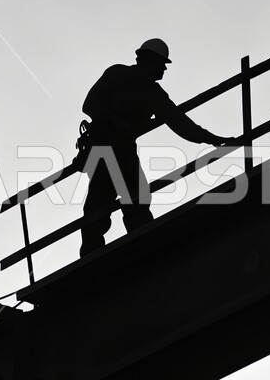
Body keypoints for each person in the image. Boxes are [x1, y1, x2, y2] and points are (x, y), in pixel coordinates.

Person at [78, 38, 236, 257]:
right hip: (104, 148)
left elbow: (180, 123)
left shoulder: (153, 94)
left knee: (131, 199)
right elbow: (89, 104)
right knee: (106, 203)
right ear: (147, 60)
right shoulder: (118, 74)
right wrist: (117, 122)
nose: (164, 69)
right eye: (162, 63)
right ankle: (97, 255)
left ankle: (140, 246)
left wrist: (212, 139)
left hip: (123, 152)